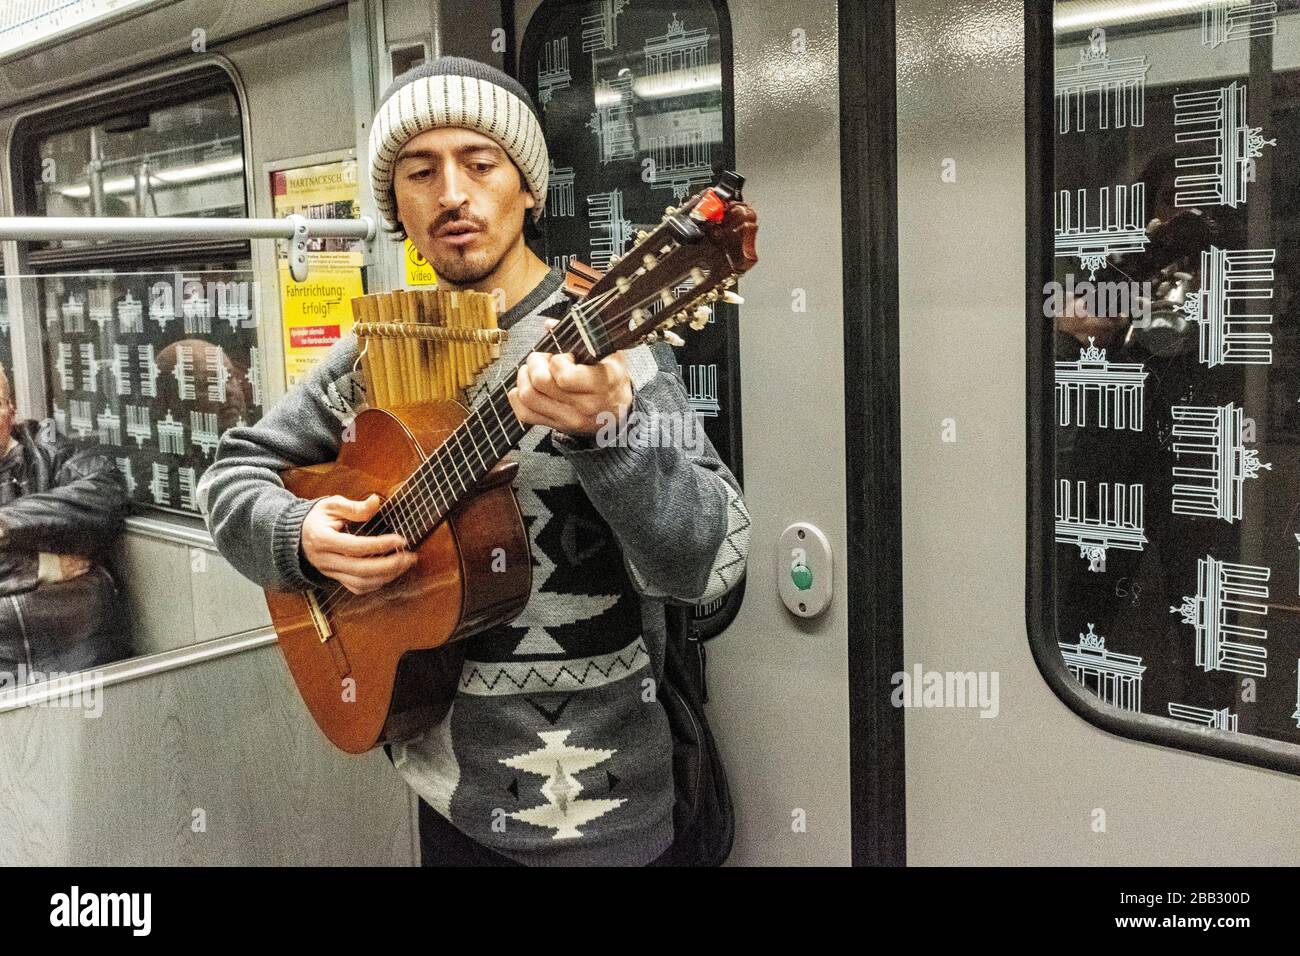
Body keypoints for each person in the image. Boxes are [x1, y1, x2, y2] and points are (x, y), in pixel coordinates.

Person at [197, 56, 751, 867]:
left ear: (527, 187)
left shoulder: (614, 345)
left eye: (480, 163)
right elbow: (230, 474)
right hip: (448, 803)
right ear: (395, 206)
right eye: (420, 172)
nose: (451, 194)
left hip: (614, 817)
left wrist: (613, 439)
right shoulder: (374, 358)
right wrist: (300, 534)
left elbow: (707, 565)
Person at [0, 363, 131, 679]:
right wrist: (41, 567)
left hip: (78, 664)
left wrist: (6, 526)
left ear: (10, 409)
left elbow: (106, 492)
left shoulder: (49, 454)